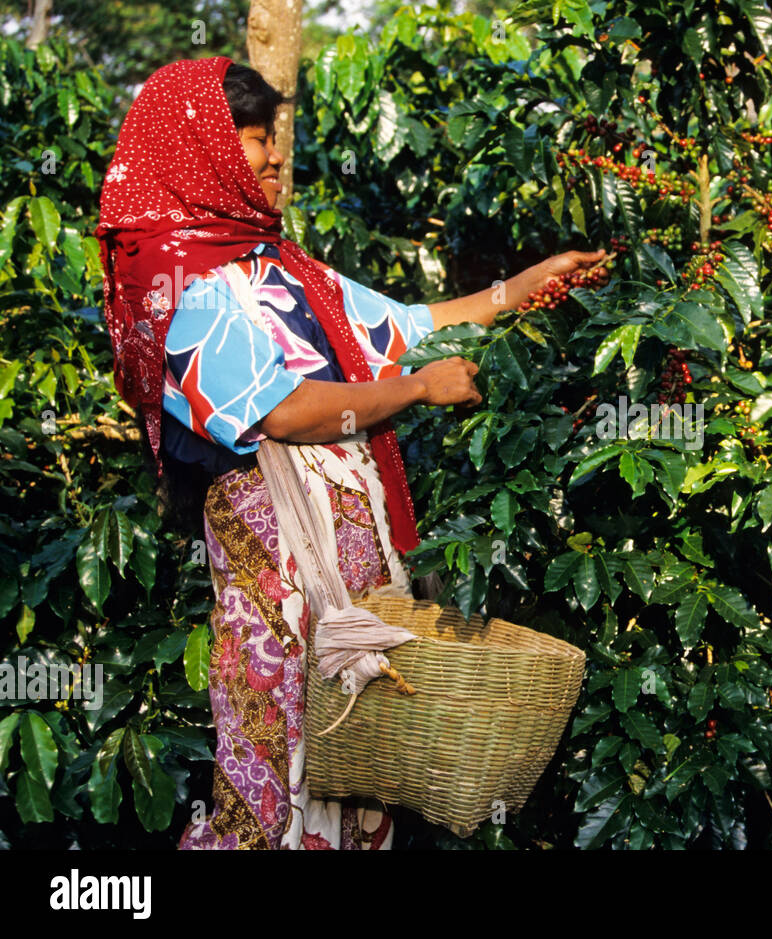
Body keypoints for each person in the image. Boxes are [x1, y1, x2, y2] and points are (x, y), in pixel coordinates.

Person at [97, 56, 607, 849]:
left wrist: (532, 283)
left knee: (356, 773)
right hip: (278, 578)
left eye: (273, 137)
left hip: (348, 568)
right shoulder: (173, 281)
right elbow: (286, 411)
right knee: (277, 770)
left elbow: (411, 323)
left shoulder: (275, 265)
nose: (272, 157)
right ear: (203, 150)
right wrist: (416, 390)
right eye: (255, 138)